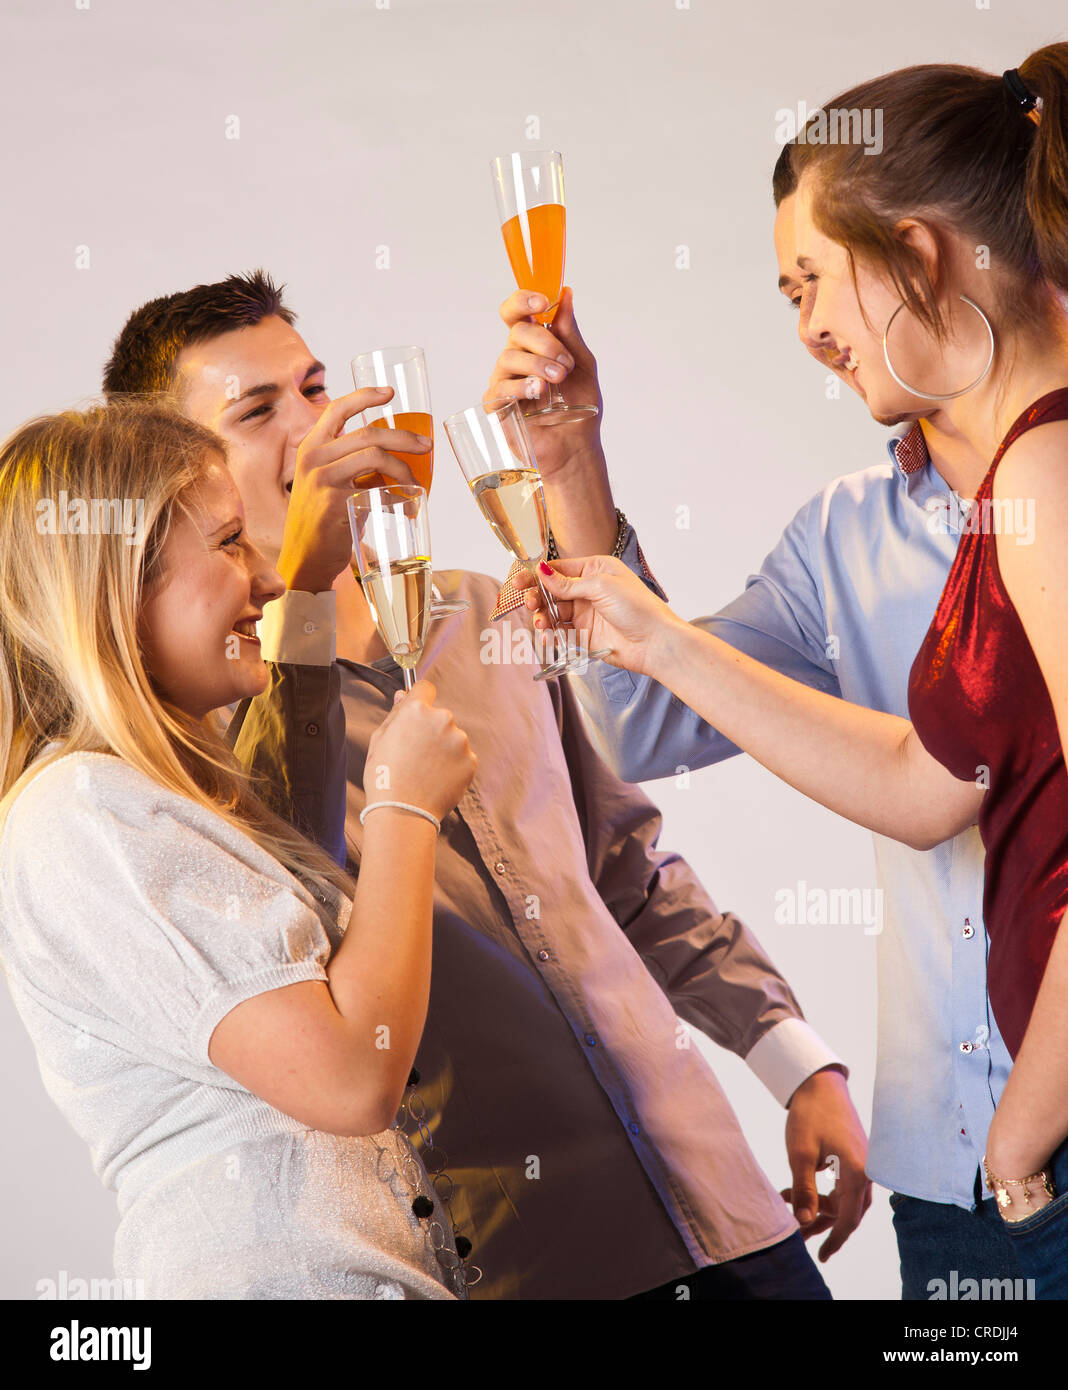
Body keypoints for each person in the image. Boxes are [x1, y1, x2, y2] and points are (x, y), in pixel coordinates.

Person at [100, 270, 872, 1300]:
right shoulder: (198, 728)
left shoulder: (484, 609)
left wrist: (796, 1062)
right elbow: (299, 897)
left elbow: (625, 869)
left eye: (316, 386)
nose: (318, 422)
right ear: (177, 481)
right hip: (528, 1264)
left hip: (728, 1215)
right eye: (257, 410)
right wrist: (307, 589)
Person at [515, 47, 1068, 1298]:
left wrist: (1029, 1129)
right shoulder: (854, 534)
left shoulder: (1044, 471)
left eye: (813, 280)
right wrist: (571, 477)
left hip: (1037, 1148)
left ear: (919, 257)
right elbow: (910, 778)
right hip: (957, 1171)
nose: (811, 330)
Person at [0, 399, 478, 1299]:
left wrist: (309, 587)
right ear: (117, 583)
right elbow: (349, 1076)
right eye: (229, 544)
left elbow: (293, 836)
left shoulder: (156, 795)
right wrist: (405, 810)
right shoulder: (86, 812)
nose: (263, 576)